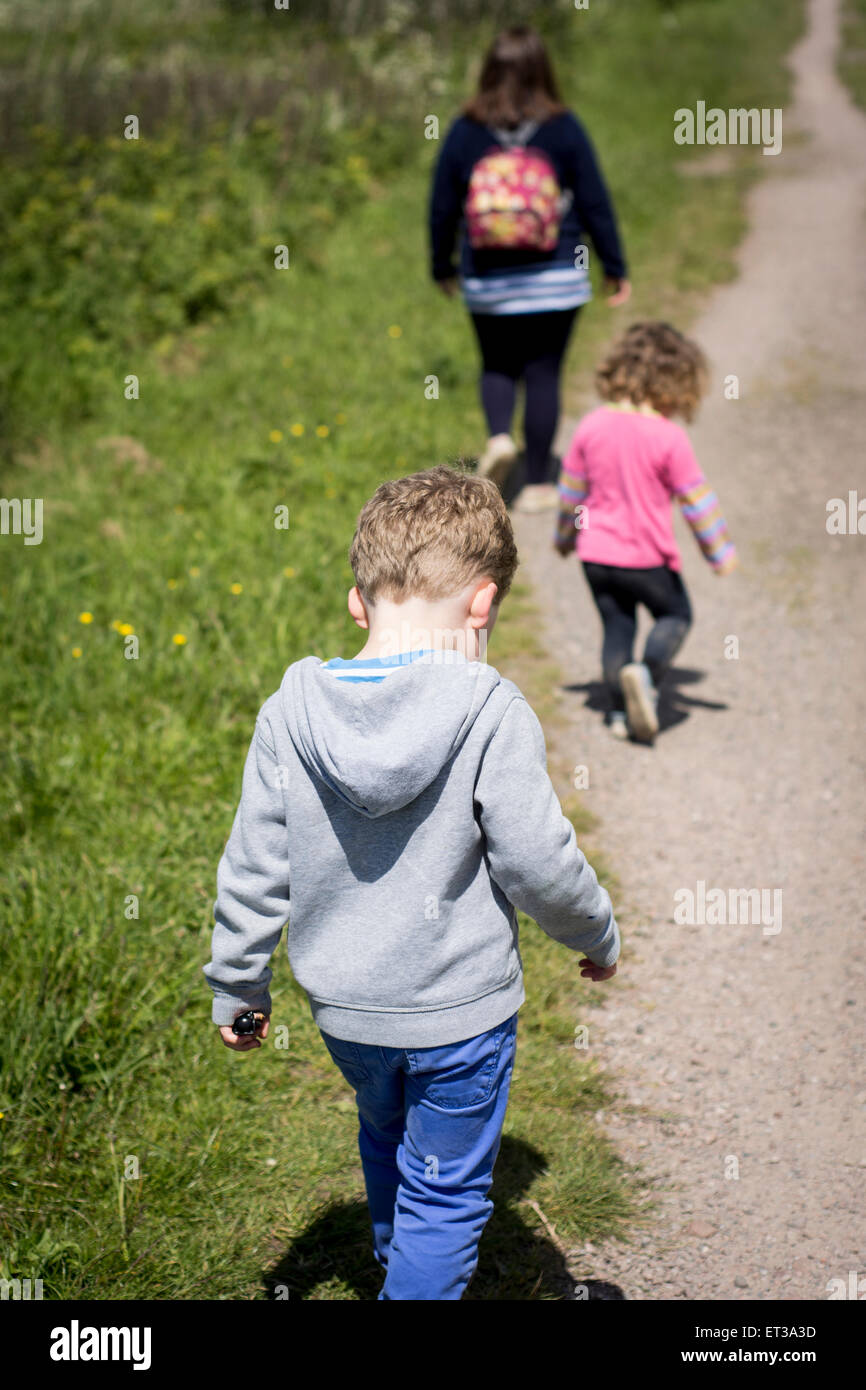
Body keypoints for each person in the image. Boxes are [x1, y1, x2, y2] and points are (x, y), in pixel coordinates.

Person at [203, 465, 620, 1300]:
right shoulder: (490, 710)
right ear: (484, 603)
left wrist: (238, 982)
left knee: (386, 1135)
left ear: (359, 602)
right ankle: (416, 1282)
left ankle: (400, 1268)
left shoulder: (291, 710)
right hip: (457, 1012)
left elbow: (255, 860)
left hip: (349, 1014)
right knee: (447, 1188)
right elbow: (538, 861)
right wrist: (595, 934)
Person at [429, 25, 630, 514]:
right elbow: (595, 201)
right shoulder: (564, 127)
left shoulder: (464, 130)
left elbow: (441, 206)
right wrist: (614, 265)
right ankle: (539, 484)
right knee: (544, 373)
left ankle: (500, 437)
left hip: (488, 278)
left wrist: (442, 265)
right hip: (556, 276)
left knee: (497, 363)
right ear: (543, 69)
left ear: (488, 70)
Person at [553, 321, 738, 744]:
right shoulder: (669, 437)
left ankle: (620, 712)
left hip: (596, 557)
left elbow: (570, 494)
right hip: (645, 560)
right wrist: (719, 553)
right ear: (676, 384)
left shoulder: (592, 424)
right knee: (675, 615)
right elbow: (697, 502)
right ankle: (647, 677)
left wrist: (565, 537)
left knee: (617, 628)